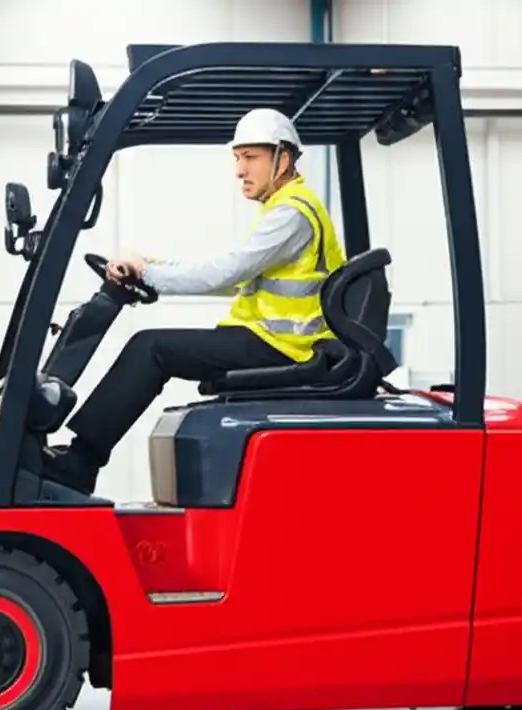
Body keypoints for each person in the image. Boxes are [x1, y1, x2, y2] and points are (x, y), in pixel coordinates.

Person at [44, 108, 345, 493]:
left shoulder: (291, 213)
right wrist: (158, 267)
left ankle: (82, 461)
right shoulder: (287, 207)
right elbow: (235, 277)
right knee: (152, 346)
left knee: (150, 348)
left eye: (250, 157)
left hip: (285, 347)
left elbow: (227, 271)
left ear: (283, 158)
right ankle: (82, 457)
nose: (239, 170)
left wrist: (149, 274)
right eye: (237, 158)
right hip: (274, 341)